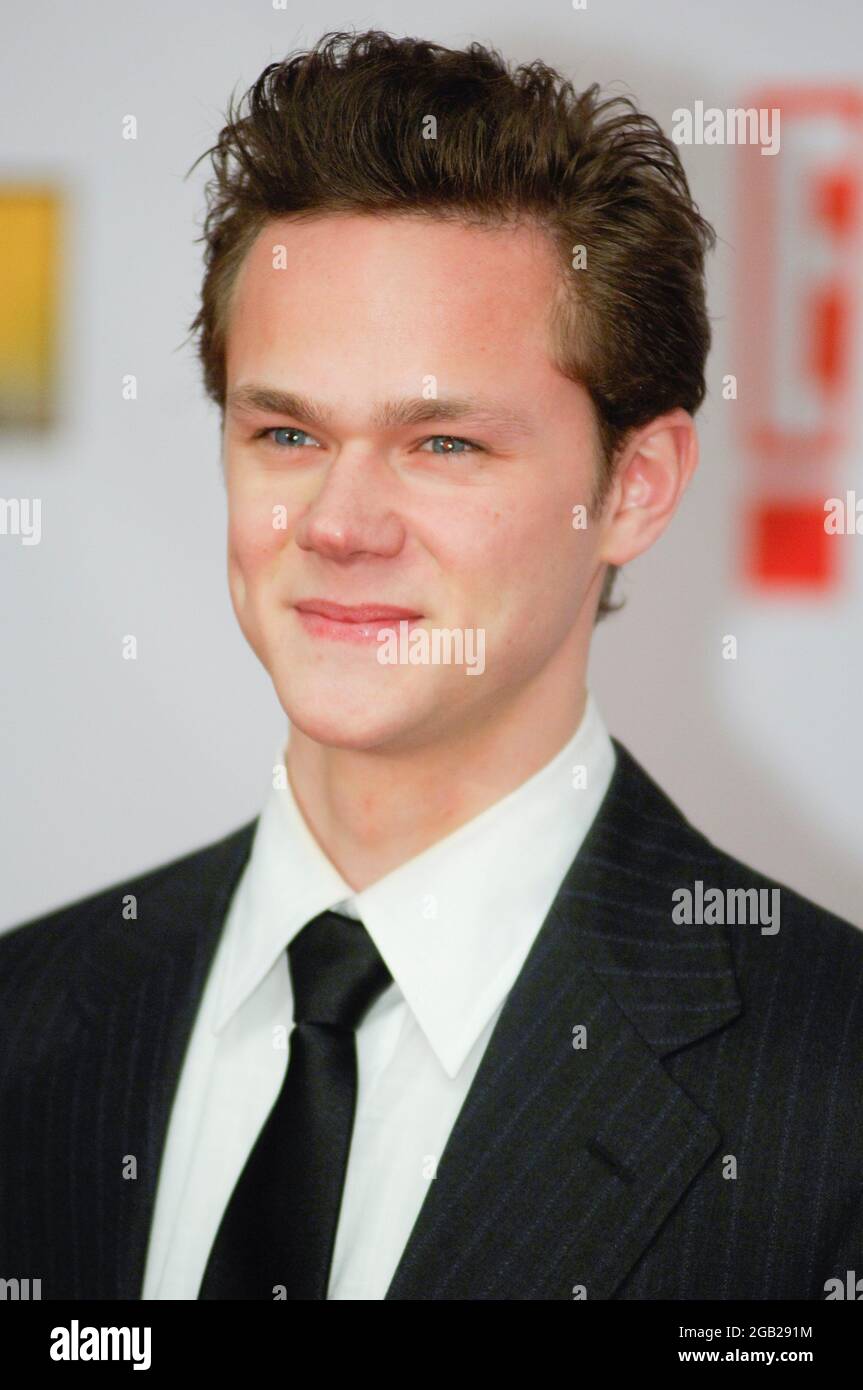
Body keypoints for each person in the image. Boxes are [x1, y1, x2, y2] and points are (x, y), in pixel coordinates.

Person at [2, 29, 860, 1302]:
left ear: (632, 486)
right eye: (286, 430)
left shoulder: (829, 1090)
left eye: (442, 443)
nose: (339, 524)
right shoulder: (30, 1013)